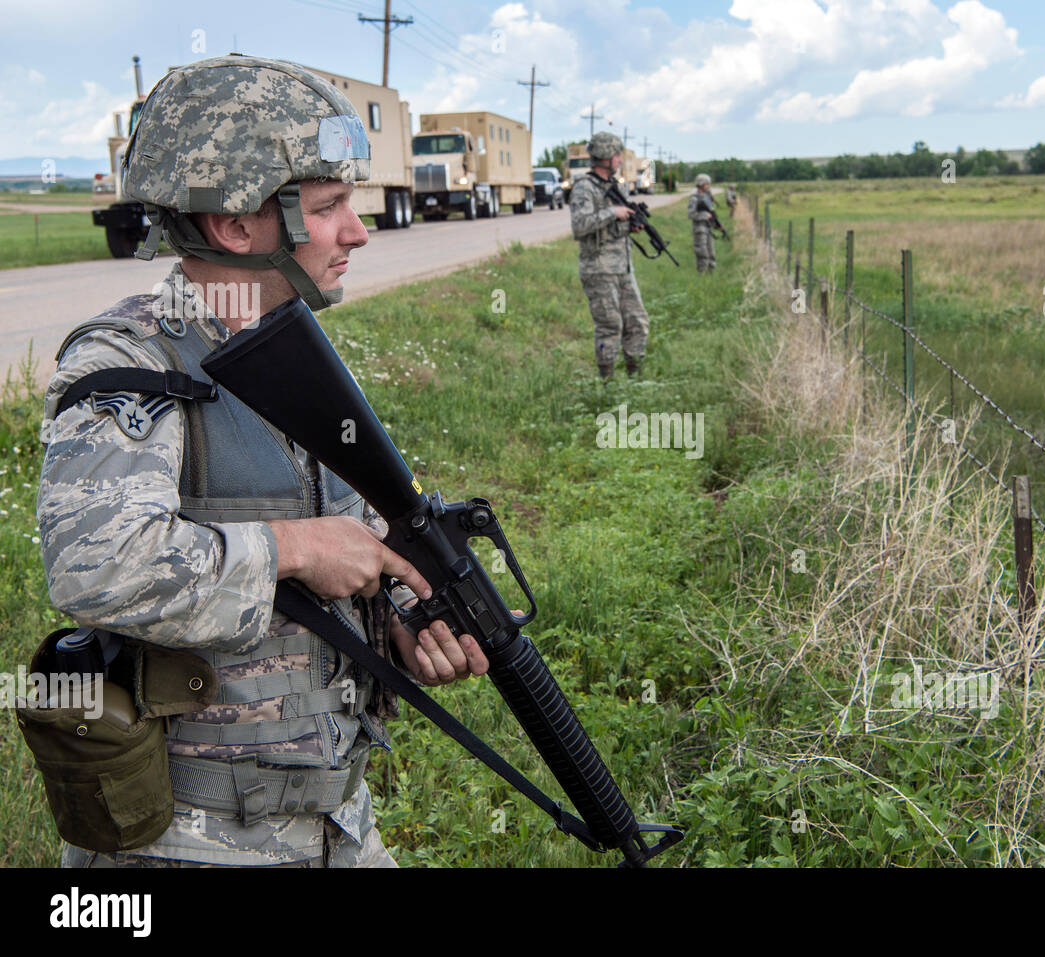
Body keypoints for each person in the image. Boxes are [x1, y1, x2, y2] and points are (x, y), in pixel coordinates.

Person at [35, 54, 487, 868]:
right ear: (237, 225)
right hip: (190, 842)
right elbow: (94, 568)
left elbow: (331, 590)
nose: (358, 229)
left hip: (336, 823)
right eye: (329, 206)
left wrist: (400, 636)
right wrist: (301, 547)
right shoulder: (125, 361)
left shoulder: (294, 355)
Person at [569, 131, 649, 379]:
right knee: (609, 327)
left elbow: (617, 224)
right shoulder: (584, 188)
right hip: (599, 270)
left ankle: (636, 378)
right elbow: (580, 225)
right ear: (604, 157)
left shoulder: (614, 187)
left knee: (638, 323)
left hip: (623, 269)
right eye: (616, 156)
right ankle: (608, 383)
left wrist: (630, 224)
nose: (619, 160)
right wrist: (612, 213)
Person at [687, 173, 717, 274]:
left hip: (708, 228)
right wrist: (704, 216)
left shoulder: (707, 197)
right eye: (707, 184)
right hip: (700, 229)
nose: (708, 186)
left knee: (711, 252)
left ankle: (711, 273)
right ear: (701, 184)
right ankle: (702, 274)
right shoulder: (694, 199)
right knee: (702, 252)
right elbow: (691, 214)